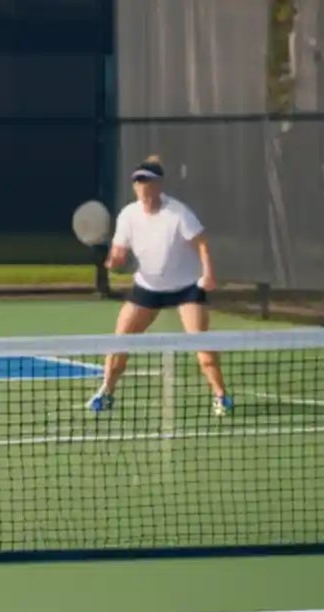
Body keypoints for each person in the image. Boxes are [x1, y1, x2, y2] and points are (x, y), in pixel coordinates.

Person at [88, 154, 233, 416]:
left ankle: (221, 396)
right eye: (138, 182)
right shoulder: (128, 215)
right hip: (147, 288)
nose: (143, 187)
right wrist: (115, 259)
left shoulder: (178, 213)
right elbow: (120, 253)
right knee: (119, 341)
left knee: (202, 345)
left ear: (159, 185)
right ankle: (106, 392)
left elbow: (202, 243)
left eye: (148, 182)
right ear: (134, 187)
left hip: (187, 287)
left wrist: (208, 273)